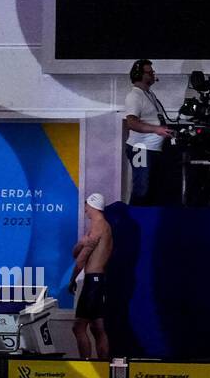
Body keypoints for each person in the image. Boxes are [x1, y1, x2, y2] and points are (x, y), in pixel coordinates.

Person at [123, 60, 173, 205]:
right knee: (141, 188)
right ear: (139, 74)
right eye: (149, 72)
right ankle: (136, 219)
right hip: (141, 148)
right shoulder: (134, 96)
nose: (152, 74)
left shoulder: (148, 94)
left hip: (153, 150)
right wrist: (156, 129)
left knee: (153, 190)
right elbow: (132, 123)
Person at [70, 192, 112, 361]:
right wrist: (81, 243)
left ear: (92, 205)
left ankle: (86, 364)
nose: (85, 210)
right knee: (97, 327)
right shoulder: (103, 226)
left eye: (86, 206)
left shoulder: (97, 227)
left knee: (78, 327)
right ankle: (104, 366)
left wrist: (72, 279)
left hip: (93, 282)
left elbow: (81, 259)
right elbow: (76, 252)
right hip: (98, 280)